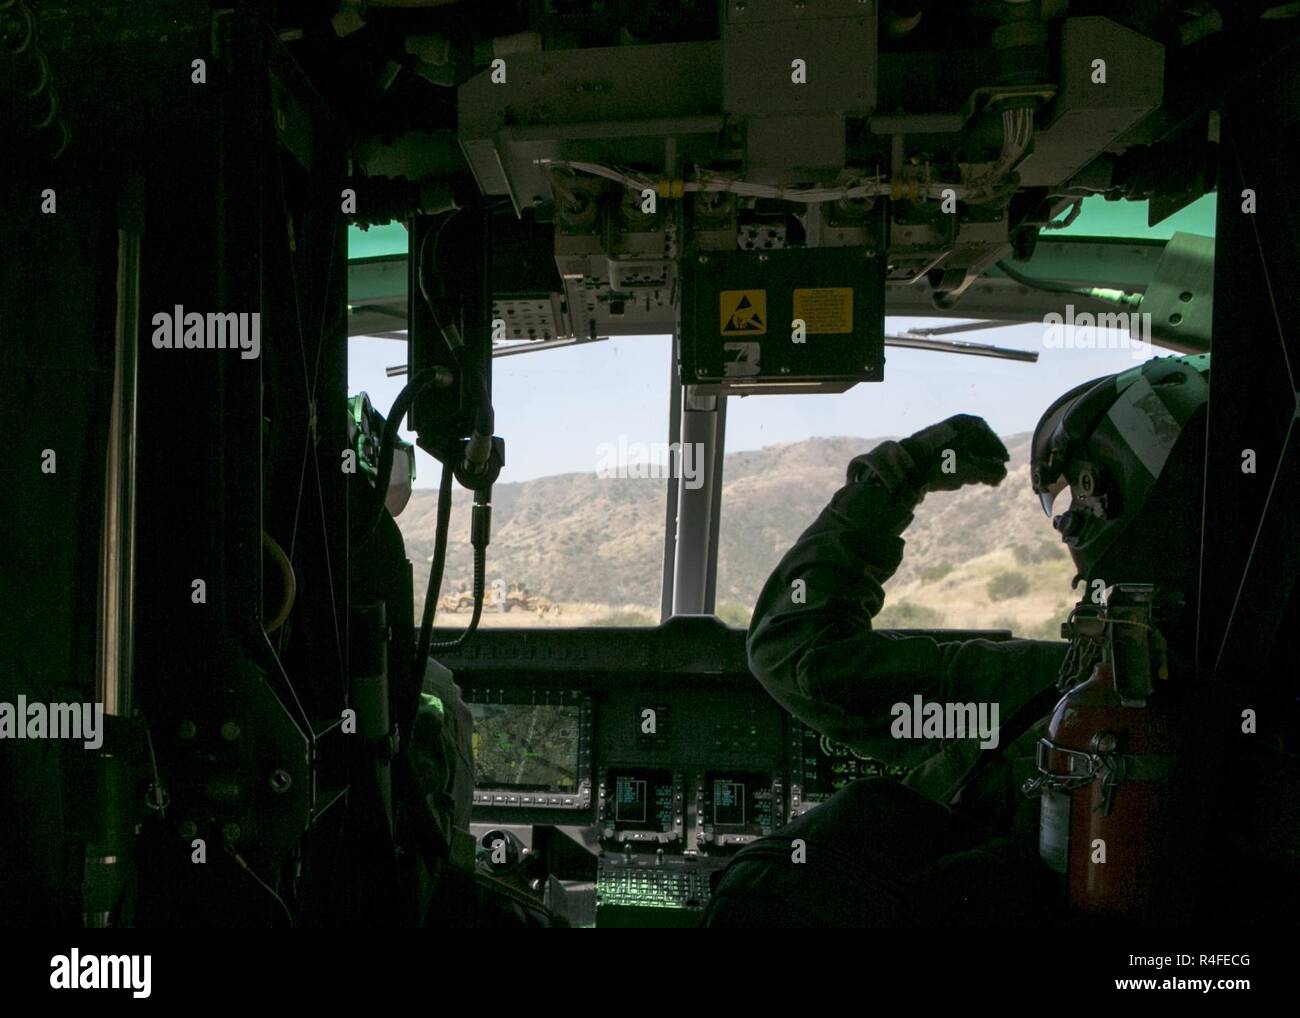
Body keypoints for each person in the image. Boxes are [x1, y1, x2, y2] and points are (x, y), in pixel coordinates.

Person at [702, 353, 1212, 927]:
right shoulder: (1247, 720)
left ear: (1111, 496)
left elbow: (797, 651)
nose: (1068, 528)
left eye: (1073, 504)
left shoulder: (1050, 691)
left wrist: (901, 473)